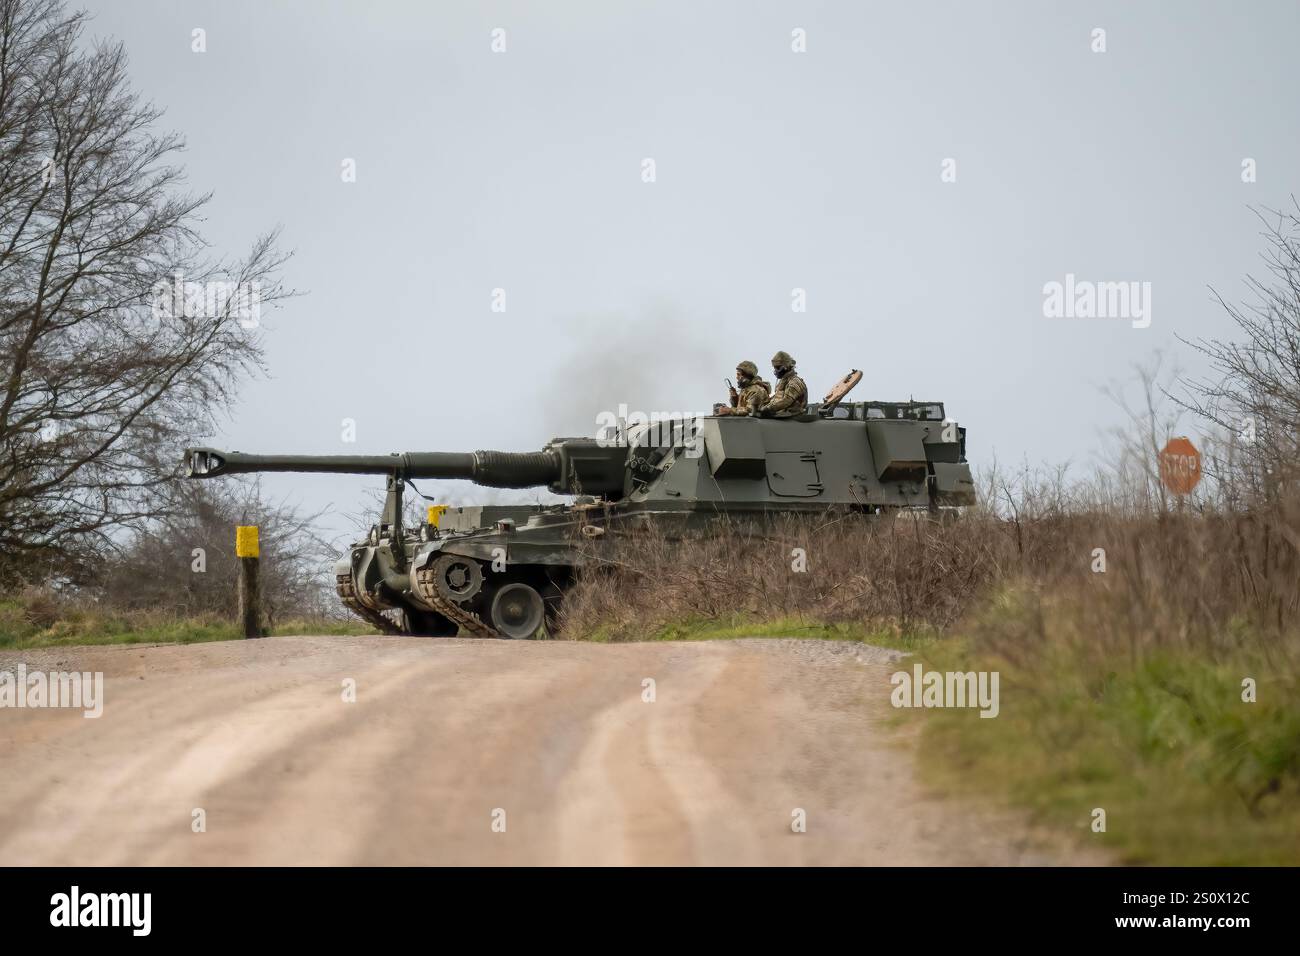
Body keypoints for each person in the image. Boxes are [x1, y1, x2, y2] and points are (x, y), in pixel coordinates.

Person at [756, 350, 807, 418]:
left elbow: (786, 401)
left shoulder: (795, 382)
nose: (775, 371)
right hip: (782, 414)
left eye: (778, 367)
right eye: (774, 367)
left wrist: (768, 408)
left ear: (786, 366)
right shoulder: (783, 382)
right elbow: (776, 399)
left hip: (793, 416)